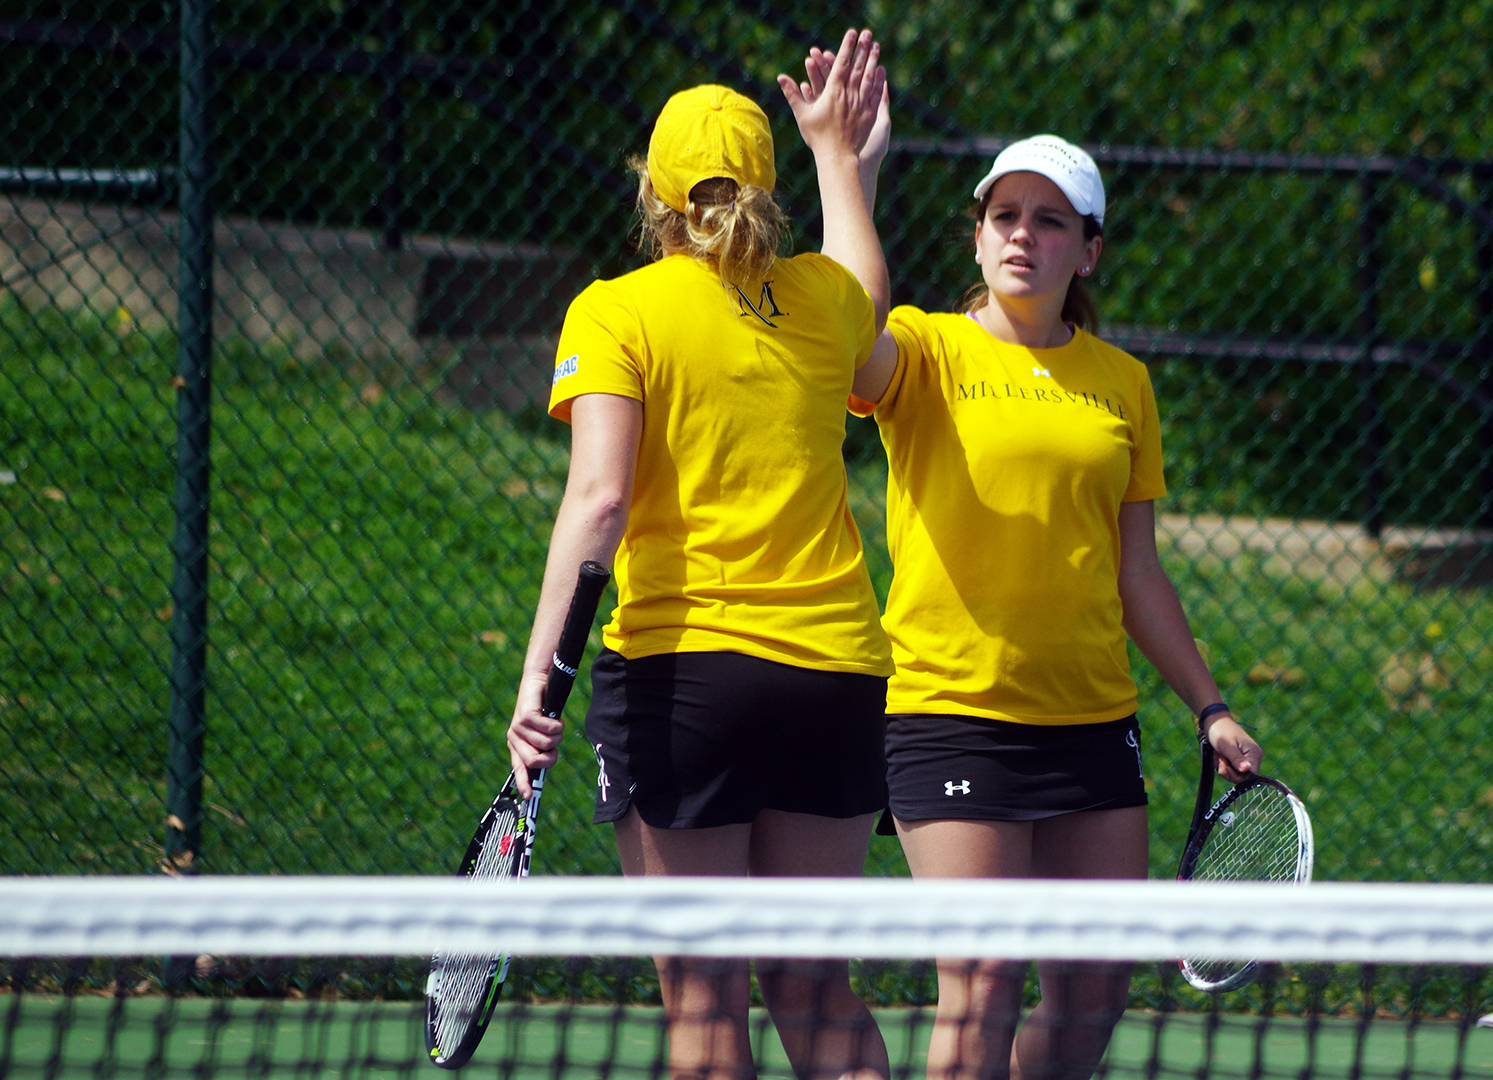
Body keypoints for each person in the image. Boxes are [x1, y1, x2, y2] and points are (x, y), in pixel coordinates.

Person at [506, 33, 893, 1080]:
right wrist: (842, 158)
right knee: (814, 988)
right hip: (838, 678)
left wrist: (538, 678)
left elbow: (599, 503)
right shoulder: (823, 303)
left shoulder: (617, 310)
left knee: (705, 999)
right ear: (767, 192)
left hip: (687, 682)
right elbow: (868, 289)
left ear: (655, 197)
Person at [848, 134, 1269, 1080]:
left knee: (1092, 996)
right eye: (1004, 217)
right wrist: (851, 172)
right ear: (977, 238)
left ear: (1090, 249)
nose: (1023, 237)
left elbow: (1137, 573)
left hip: (1091, 726)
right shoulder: (922, 347)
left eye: (1049, 220)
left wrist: (1211, 707)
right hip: (951, 717)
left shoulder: (1124, 383)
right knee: (983, 979)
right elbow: (848, 338)